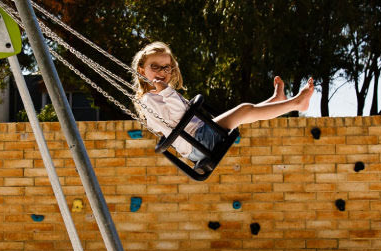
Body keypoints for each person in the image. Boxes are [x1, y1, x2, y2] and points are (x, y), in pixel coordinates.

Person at [132, 40, 314, 164]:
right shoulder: (149, 99)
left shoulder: (160, 95)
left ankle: (275, 101)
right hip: (197, 142)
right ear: (141, 70)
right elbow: (180, 117)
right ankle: (297, 103)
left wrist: (167, 92)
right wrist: (167, 92)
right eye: (155, 67)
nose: (161, 72)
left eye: (166, 67)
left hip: (199, 138)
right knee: (244, 110)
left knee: (244, 112)